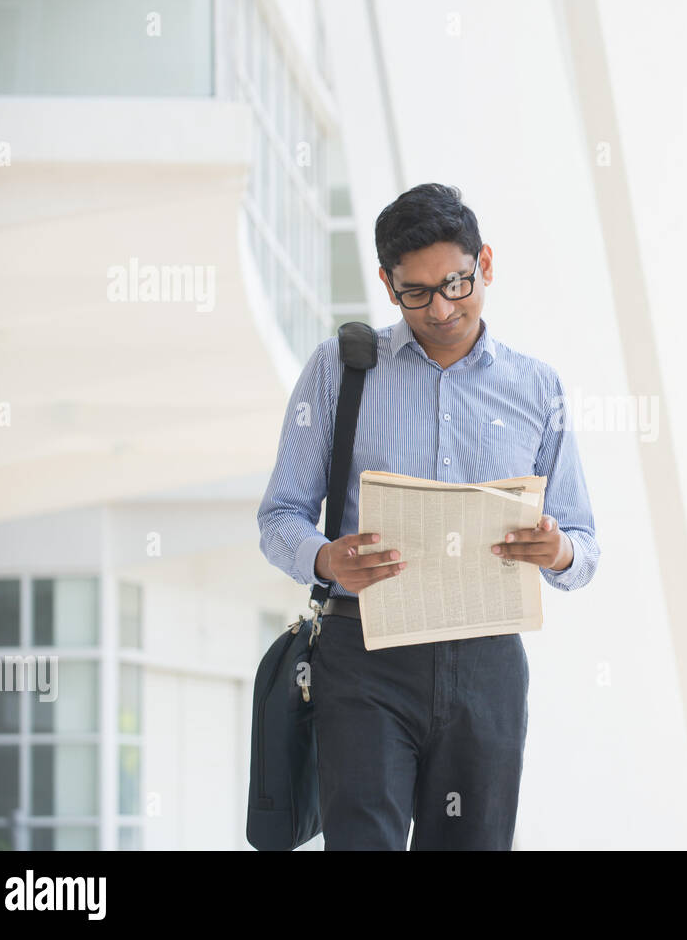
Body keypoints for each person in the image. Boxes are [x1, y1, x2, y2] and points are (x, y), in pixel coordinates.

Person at [257, 183, 600, 849]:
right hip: (364, 658)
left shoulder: (537, 387)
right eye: (417, 292)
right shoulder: (341, 369)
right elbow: (281, 515)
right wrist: (326, 557)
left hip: (487, 665)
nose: (442, 308)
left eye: (457, 283)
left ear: (486, 265)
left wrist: (556, 550)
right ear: (389, 286)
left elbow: (583, 545)